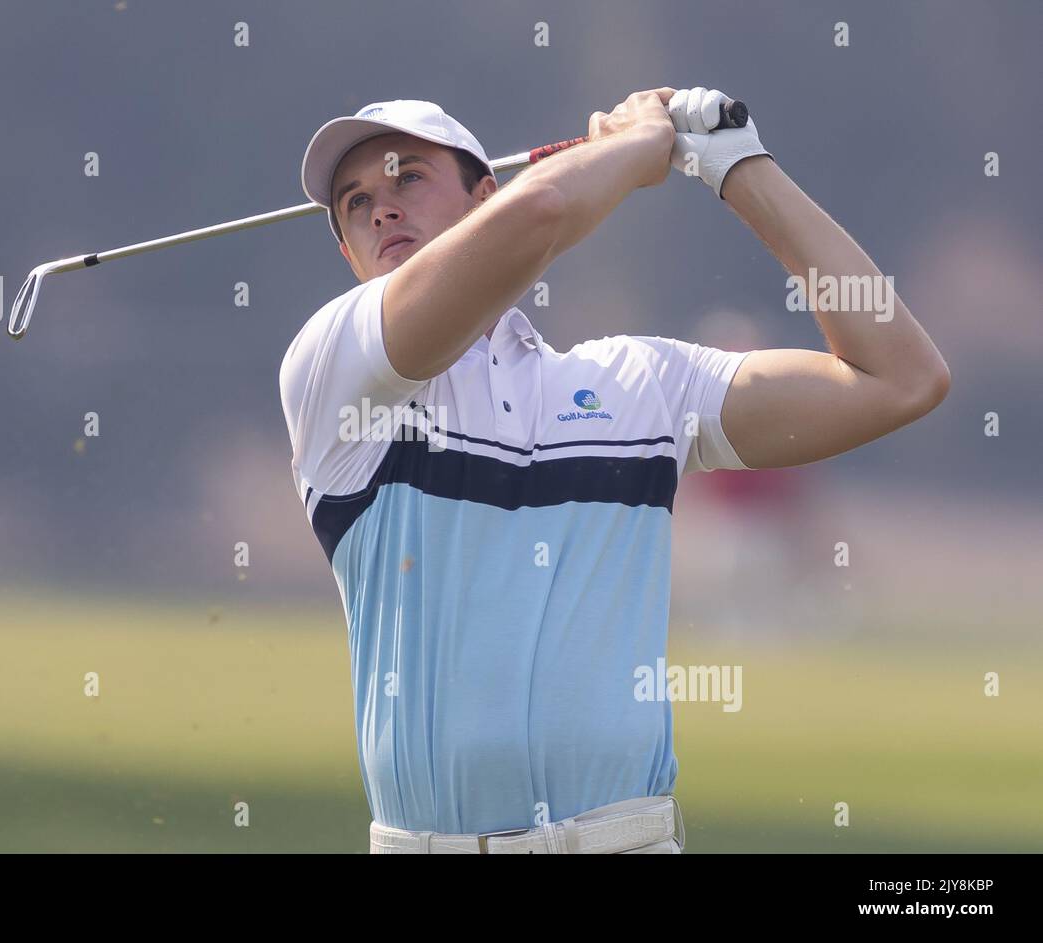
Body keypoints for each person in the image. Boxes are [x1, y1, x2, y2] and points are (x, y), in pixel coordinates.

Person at [278, 92, 950, 853]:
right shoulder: (333, 370)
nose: (380, 210)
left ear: (485, 196)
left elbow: (901, 378)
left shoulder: (639, 385)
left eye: (408, 179)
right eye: (356, 200)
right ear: (346, 252)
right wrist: (636, 148)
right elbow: (540, 217)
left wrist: (739, 168)